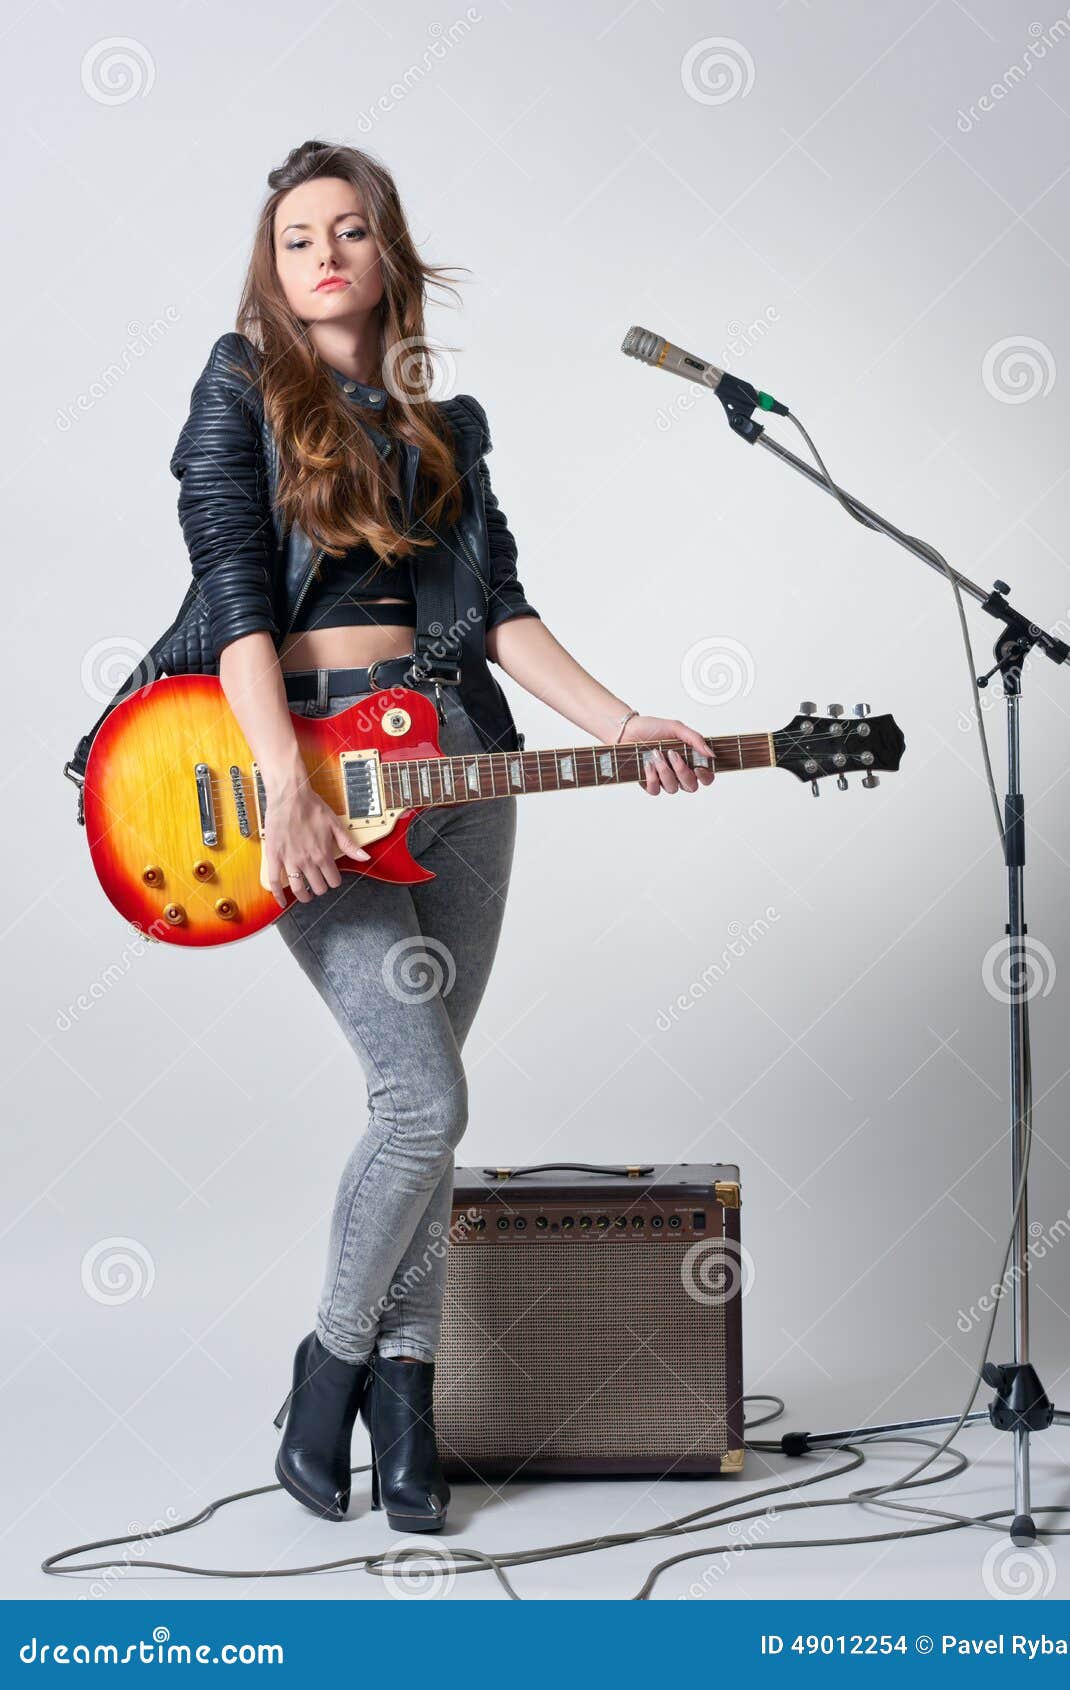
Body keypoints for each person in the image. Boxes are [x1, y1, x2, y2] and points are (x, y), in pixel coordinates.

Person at [171, 139, 715, 1535]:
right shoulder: (241, 389)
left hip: (462, 769)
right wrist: (280, 780)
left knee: (428, 1100)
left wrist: (627, 715)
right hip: (311, 770)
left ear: (387, 250)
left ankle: (404, 1399)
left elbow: (502, 612)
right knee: (424, 1101)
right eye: (299, 237)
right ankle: (331, 1363)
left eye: (351, 230)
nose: (327, 254)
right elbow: (237, 592)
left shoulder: (443, 424)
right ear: (272, 265)